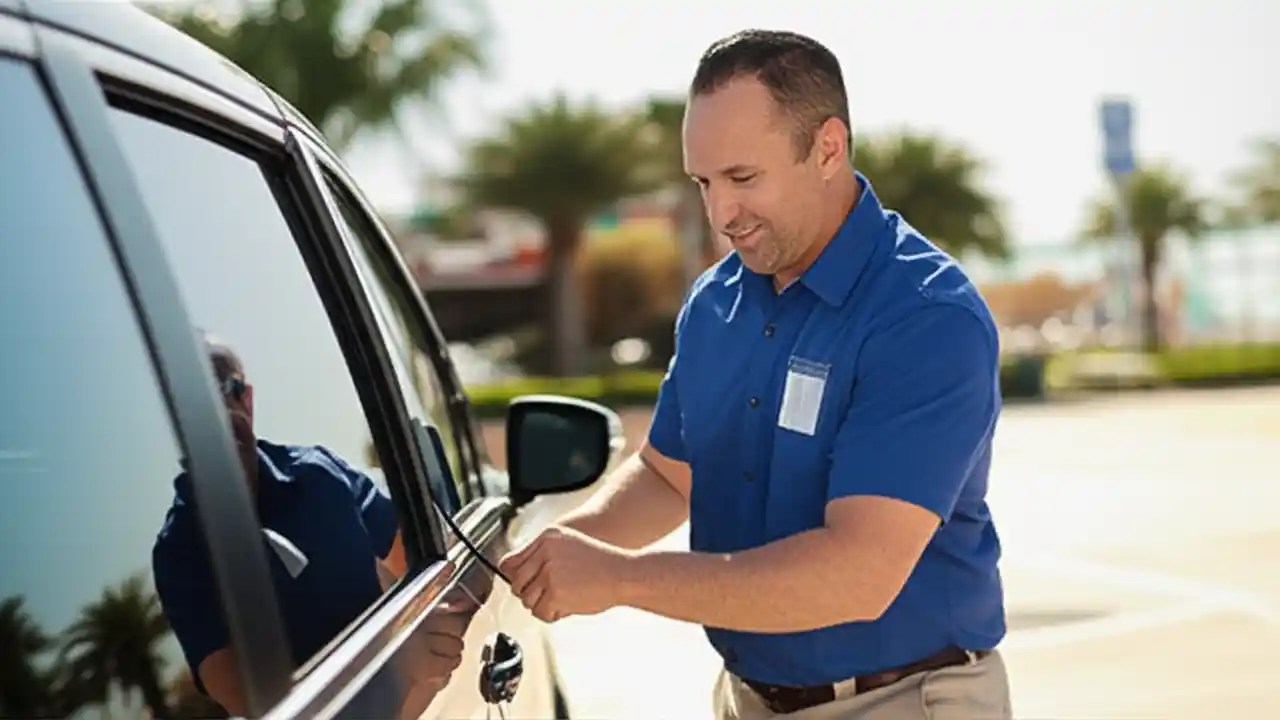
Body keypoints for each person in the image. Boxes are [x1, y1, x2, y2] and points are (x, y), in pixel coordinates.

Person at [499, 29, 1011, 720]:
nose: (720, 214)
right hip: (745, 701)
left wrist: (619, 579)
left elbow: (858, 575)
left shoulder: (923, 317)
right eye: (703, 183)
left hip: (903, 701)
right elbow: (666, 477)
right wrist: (550, 556)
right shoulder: (715, 305)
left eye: (743, 178)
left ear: (827, 148)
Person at [151, 335, 450, 718]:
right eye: (197, 398)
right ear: (177, 420)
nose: (220, 411)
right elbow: (250, 698)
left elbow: (421, 559)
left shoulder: (320, 474)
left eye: (228, 389)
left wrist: (420, 642)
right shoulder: (179, 554)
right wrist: (397, 664)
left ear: (249, 399)